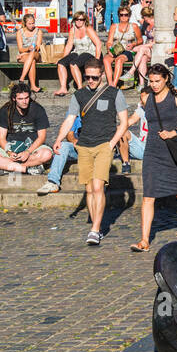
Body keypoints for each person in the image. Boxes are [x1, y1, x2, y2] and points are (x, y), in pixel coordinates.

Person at [51, 58, 128, 246]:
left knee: (97, 187)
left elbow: (124, 122)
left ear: (102, 75)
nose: (91, 81)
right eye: (87, 77)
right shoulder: (79, 95)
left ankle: (94, 229)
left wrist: (112, 143)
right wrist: (59, 139)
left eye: (94, 77)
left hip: (104, 145)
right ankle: (97, 226)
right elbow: (70, 119)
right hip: (84, 145)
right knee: (88, 189)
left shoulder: (114, 94)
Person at [129, 64, 177, 253]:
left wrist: (174, 132)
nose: (154, 85)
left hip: (172, 151)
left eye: (157, 81)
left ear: (166, 79)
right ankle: (144, 240)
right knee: (148, 196)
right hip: (152, 151)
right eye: (151, 81)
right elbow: (136, 116)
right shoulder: (146, 97)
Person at [0, 81, 53, 174]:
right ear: (14, 98)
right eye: (20, 99)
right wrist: (9, 152)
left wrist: (28, 152)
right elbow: (1, 138)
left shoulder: (38, 109)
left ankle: (8, 168)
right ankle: (26, 169)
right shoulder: (5, 110)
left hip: (32, 148)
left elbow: (41, 137)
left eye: (26, 98)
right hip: (11, 147)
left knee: (47, 154)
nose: (25, 101)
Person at [54, 13, 102, 96]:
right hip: (77, 51)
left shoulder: (88, 29)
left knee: (73, 64)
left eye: (81, 19)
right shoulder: (73, 29)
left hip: (89, 52)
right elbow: (69, 45)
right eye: (77, 19)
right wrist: (64, 58)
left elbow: (98, 44)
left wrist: (96, 61)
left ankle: (80, 88)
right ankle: (63, 87)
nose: (79, 21)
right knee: (61, 63)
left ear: (85, 21)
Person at [102, 8, 142, 87]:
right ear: (119, 16)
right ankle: (110, 83)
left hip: (128, 50)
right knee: (106, 59)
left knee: (119, 60)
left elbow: (140, 40)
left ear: (129, 16)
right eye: (121, 15)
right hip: (116, 49)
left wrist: (133, 44)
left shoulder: (134, 26)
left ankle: (114, 85)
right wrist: (109, 49)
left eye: (126, 15)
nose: (124, 17)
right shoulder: (114, 26)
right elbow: (109, 41)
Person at [11, 13, 44, 91]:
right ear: (25, 23)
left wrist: (29, 51)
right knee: (32, 61)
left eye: (33, 23)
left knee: (32, 54)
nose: (32, 25)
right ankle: (33, 86)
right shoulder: (20, 32)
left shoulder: (38, 31)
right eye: (29, 24)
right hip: (25, 55)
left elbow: (38, 47)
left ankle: (22, 78)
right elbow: (20, 49)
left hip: (36, 54)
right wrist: (28, 49)